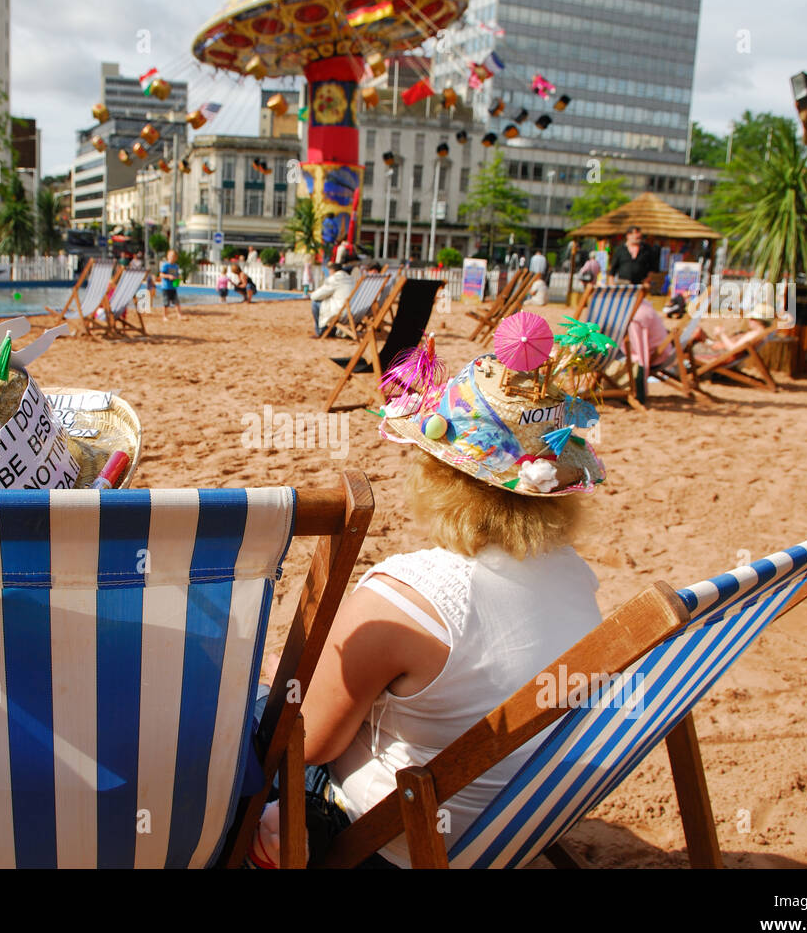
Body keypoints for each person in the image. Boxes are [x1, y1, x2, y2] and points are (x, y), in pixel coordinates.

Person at [247, 347, 607, 868]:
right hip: (515, 823)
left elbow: (306, 746)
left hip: (401, 839)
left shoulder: (411, 597)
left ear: (440, 474)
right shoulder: (576, 576)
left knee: (254, 712)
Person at [308, 261, 354, 336]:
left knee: (315, 303)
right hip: (355, 312)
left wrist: (311, 295)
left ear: (332, 270)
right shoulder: (350, 278)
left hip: (342, 313)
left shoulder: (335, 278)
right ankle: (332, 329)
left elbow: (316, 295)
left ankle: (320, 331)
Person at [158, 249, 184, 321]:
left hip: (173, 287)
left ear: (176, 258)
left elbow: (177, 275)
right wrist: (168, 276)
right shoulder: (165, 265)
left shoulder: (176, 266)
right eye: (171, 256)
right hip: (166, 287)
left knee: (177, 302)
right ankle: (164, 316)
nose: (173, 257)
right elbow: (161, 274)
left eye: (174, 256)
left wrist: (178, 279)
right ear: (168, 256)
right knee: (166, 303)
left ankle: (179, 315)